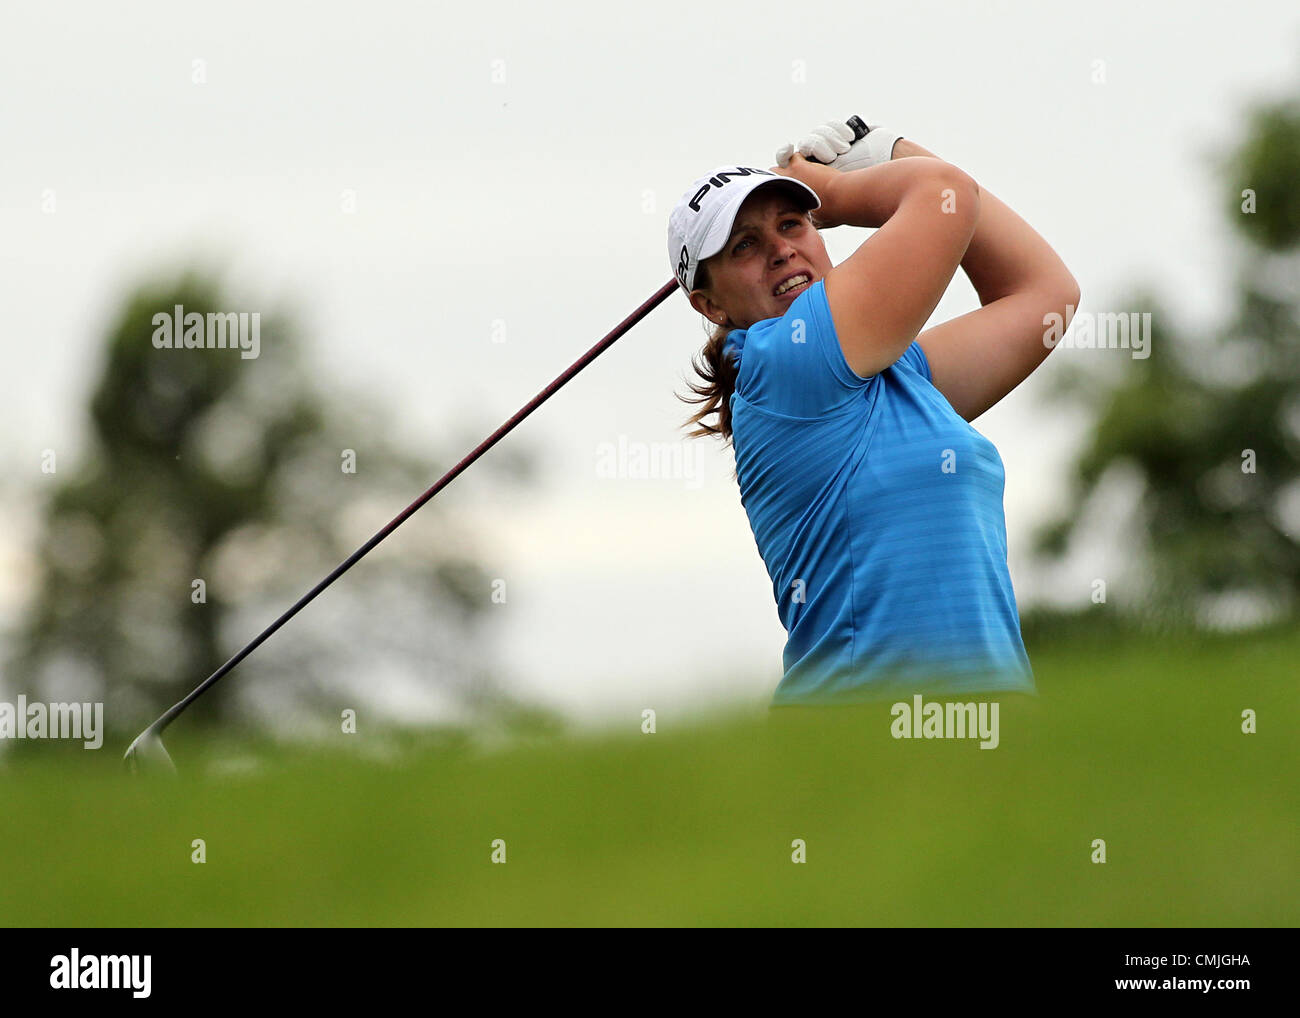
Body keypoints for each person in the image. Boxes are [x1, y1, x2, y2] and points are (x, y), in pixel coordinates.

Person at [668, 119, 1080, 706]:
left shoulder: (896, 376)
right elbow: (946, 196)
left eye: (793, 222)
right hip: (864, 738)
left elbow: (1044, 295)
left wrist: (886, 156)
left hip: (980, 746)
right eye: (744, 246)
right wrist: (843, 189)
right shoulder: (786, 364)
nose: (782, 248)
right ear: (709, 304)